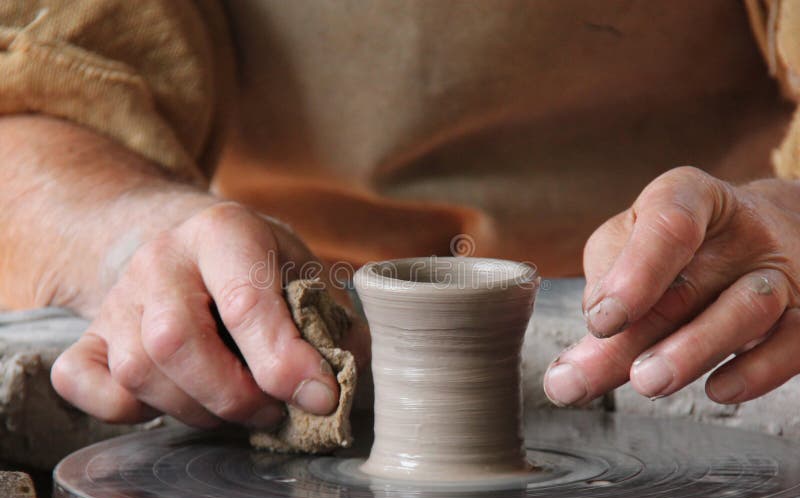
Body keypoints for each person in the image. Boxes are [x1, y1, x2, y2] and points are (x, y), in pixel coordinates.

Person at [1, 0, 799, 429]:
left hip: (692, 294)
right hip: (303, 295)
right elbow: (36, 81)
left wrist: (789, 214)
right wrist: (131, 234)